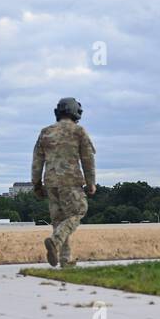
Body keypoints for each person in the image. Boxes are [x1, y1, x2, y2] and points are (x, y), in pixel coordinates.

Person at [31, 96, 96, 267]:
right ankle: (55, 241)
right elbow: (88, 159)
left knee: (59, 220)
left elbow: (37, 161)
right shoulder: (78, 131)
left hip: (50, 182)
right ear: (76, 113)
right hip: (70, 180)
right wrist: (91, 183)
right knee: (78, 211)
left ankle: (65, 260)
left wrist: (36, 185)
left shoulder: (45, 132)